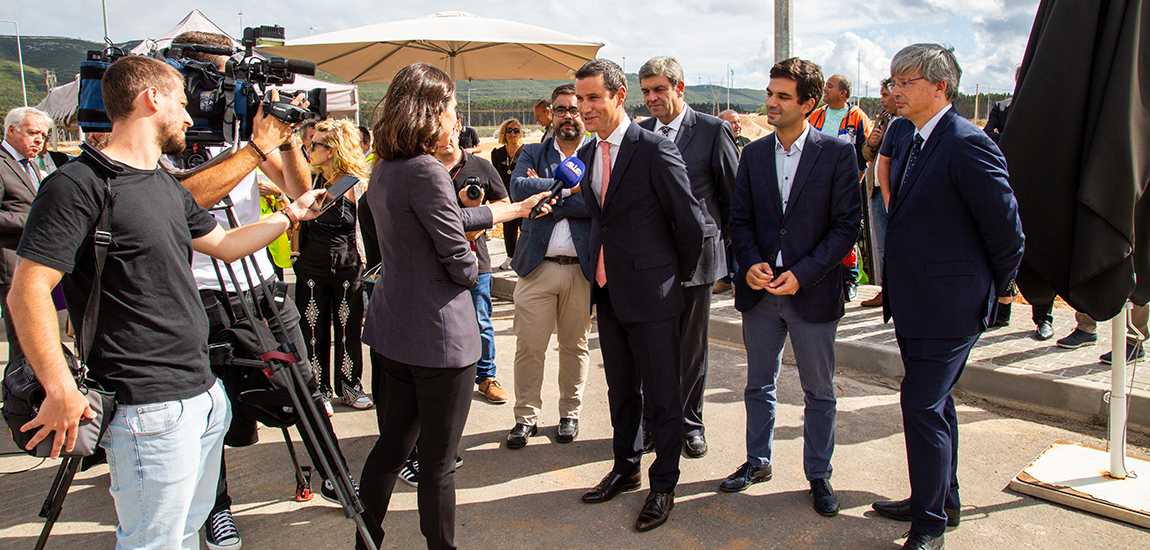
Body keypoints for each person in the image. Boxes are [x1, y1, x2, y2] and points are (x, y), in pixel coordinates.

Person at [9, 54, 327, 550]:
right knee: (153, 542)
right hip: (145, 406)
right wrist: (60, 388)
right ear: (151, 98)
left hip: (201, 394)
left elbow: (226, 244)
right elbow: (27, 290)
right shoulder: (77, 185)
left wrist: (290, 215)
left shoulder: (161, 183)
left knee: (181, 533)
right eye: (182, 102)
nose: (189, 116)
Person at [171, 30, 358, 550]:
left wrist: (288, 136)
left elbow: (298, 189)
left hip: (259, 284)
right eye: (223, 79)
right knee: (207, 407)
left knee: (304, 385)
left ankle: (334, 474)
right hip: (197, 288)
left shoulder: (244, 132)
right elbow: (184, 201)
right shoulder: (172, 135)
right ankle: (216, 508)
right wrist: (255, 148)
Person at [356, 62, 549, 550]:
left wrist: (512, 208)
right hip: (439, 340)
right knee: (438, 465)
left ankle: (366, 540)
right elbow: (462, 267)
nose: (456, 118)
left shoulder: (386, 167)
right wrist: (475, 234)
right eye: (452, 109)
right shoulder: (427, 171)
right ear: (431, 112)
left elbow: (433, 218)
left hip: (394, 332)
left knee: (390, 449)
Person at [873, 44, 1025, 550]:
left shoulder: (966, 143)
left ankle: (930, 526)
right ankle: (940, 500)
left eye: (906, 82)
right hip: (915, 301)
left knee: (920, 403)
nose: (895, 91)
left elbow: (1007, 232)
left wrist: (996, 291)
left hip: (952, 305)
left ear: (940, 87)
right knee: (935, 405)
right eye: (893, 82)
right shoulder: (910, 136)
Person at [723, 56, 861, 518]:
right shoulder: (753, 154)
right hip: (761, 294)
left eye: (783, 96)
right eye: (770, 93)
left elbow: (846, 227)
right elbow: (740, 220)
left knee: (818, 391)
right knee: (758, 384)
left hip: (813, 292)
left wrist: (803, 274)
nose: (771, 102)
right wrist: (750, 263)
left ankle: (819, 474)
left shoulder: (837, 153)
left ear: (808, 103)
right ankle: (757, 461)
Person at [574, 58, 704, 532]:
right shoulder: (589, 153)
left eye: (594, 98)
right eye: (579, 99)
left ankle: (663, 484)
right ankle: (625, 467)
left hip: (653, 295)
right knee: (621, 390)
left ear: (618, 95)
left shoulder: (653, 148)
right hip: (608, 293)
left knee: (664, 397)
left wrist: (672, 279)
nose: (584, 108)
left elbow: (690, 223)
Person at [637, 56, 737, 459]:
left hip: (697, 260)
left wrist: (717, 248)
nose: (652, 98)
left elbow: (732, 199)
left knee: (690, 349)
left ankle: (690, 424)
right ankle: (652, 423)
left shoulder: (712, 131)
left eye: (659, 89)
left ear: (680, 88)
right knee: (651, 347)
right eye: (646, 91)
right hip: (650, 261)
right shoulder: (640, 133)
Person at [505, 84, 593, 449]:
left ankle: (569, 414)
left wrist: (549, 196)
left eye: (574, 109)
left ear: (583, 112)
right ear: (550, 115)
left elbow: (598, 202)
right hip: (536, 266)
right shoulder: (531, 151)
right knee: (529, 346)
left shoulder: (597, 152)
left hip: (580, 269)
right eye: (561, 110)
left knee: (575, 346)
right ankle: (525, 417)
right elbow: (518, 190)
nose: (568, 116)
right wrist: (571, 189)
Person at [295, 118, 373, 411]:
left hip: (348, 265)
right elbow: (298, 222)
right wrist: (295, 257)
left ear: (331, 150)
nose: (309, 147)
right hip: (311, 266)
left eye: (315, 144)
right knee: (312, 330)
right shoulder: (309, 180)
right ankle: (319, 391)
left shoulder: (356, 183)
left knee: (348, 329)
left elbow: (368, 227)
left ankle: (350, 386)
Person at [434, 120, 513, 406]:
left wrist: (476, 222)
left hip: (475, 261)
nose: (445, 139)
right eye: (438, 133)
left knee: (481, 322)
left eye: (450, 132)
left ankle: (486, 377)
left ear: (458, 129)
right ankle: (442, 379)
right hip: (433, 262)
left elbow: (504, 203)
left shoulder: (480, 167)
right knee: (437, 325)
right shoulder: (424, 168)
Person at [983, 65, 1054, 340]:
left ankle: (1043, 318)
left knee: (1039, 256)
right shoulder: (1002, 107)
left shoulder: (1045, 108)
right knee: (1005, 250)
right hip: (1007, 187)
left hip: (1038, 192)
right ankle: (1001, 313)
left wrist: (1009, 138)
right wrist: (1016, 140)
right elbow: (988, 136)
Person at [808, 74, 872, 300]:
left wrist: (855, 182)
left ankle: (850, 278)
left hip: (845, 184)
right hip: (816, 184)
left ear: (843, 93)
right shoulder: (816, 115)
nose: (825, 89)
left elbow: (864, 152)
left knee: (845, 231)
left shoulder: (857, 117)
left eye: (830, 86)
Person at [0, 107, 52, 362]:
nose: (39, 140)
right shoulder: (2, 164)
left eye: (43, 135)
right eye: (33, 133)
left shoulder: (31, 165)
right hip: (10, 263)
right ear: (11, 130)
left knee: (37, 337)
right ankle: (19, 386)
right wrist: (33, 219)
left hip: (34, 259)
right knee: (22, 340)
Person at [859, 78, 899, 308]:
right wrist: (872, 143)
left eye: (885, 95)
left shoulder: (908, 122)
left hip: (895, 191)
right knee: (881, 245)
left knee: (899, 244)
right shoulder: (883, 120)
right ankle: (886, 291)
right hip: (875, 190)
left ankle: (901, 292)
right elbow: (867, 154)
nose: (881, 100)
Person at [715, 108, 751, 294]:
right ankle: (724, 279)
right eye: (732, 122)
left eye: (738, 121)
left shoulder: (747, 145)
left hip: (743, 200)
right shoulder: (716, 143)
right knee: (724, 242)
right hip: (723, 201)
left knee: (740, 241)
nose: (737, 125)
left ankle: (739, 281)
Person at [491, 118, 525, 270]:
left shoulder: (526, 151)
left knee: (525, 229)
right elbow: (494, 176)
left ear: (520, 133)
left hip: (522, 196)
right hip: (505, 196)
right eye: (509, 130)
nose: (512, 133)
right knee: (509, 229)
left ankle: (525, 259)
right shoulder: (497, 153)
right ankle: (510, 257)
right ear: (504, 133)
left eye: (516, 130)